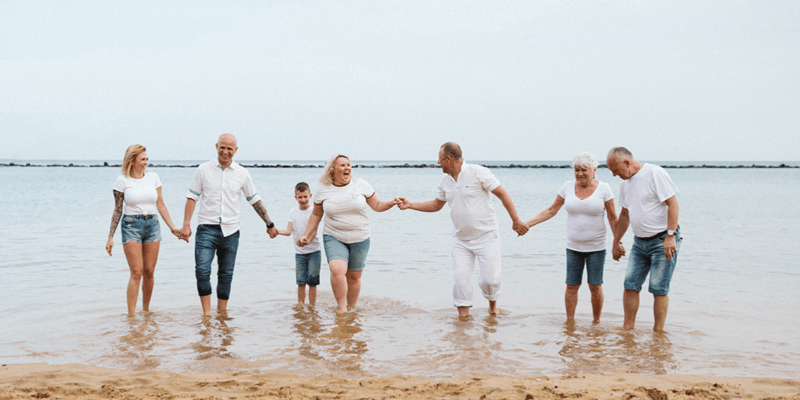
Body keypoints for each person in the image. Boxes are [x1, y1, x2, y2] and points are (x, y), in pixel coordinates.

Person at [395, 142, 529, 318]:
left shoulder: (478, 172)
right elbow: (436, 205)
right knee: (461, 280)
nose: (438, 162)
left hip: (487, 236)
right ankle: (463, 321)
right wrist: (410, 204)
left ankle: (493, 305)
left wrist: (516, 220)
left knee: (490, 281)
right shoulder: (445, 181)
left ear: (448, 159)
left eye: (440, 159)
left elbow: (502, 194)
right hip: (461, 240)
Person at [180, 133, 279, 316]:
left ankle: (222, 314)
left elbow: (254, 200)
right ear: (216, 146)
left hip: (231, 231)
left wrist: (269, 223)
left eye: (229, 148)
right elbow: (192, 197)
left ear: (236, 150)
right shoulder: (203, 169)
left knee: (226, 275)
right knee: (202, 271)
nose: (225, 152)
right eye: (222, 147)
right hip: (206, 229)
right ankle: (207, 315)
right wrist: (186, 224)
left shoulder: (242, 173)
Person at [524, 152, 618, 323]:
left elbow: (613, 217)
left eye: (584, 170)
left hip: (596, 247)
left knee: (595, 286)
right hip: (573, 247)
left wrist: (617, 242)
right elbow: (551, 210)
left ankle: (596, 322)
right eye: (576, 170)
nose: (580, 173)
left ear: (594, 170)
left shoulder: (604, 188)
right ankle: (570, 322)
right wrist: (528, 224)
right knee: (571, 286)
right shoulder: (567, 187)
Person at [297, 154, 395, 313]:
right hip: (333, 236)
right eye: (342, 165)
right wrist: (306, 236)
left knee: (354, 277)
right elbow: (315, 215)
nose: (347, 168)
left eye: (348, 165)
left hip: (360, 237)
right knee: (337, 270)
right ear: (332, 170)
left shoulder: (361, 185)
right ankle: (341, 310)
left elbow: (377, 205)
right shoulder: (323, 189)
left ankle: (351, 309)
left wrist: (391, 203)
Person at [606, 146, 681, 332]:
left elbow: (673, 205)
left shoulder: (654, 173)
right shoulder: (625, 183)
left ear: (627, 162)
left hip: (663, 239)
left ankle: (658, 333)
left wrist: (670, 237)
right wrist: (616, 241)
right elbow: (624, 215)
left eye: (616, 170)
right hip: (639, 242)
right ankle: (627, 329)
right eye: (611, 172)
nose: (615, 175)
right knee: (630, 285)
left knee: (658, 288)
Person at [106, 144, 182, 317]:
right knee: (136, 272)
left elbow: (160, 204)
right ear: (132, 161)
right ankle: (131, 317)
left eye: (147, 159)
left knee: (149, 271)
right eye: (142, 159)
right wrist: (110, 236)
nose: (146, 163)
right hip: (131, 226)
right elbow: (118, 209)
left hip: (153, 225)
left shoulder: (153, 177)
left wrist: (172, 228)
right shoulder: (122, 181)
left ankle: (146, 311)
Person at [277, 182, 322, 306]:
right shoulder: (293, 212)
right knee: (300, 282)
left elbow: (314, 230)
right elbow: (288, 231)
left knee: (313, 281)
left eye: (305, 196)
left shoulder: (314, 211)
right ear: (295, 197)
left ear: (310, 196)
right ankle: (301, 307)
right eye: (300, 197)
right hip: (300, 253)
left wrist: (306, 240)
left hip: (314, 251)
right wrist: (277, 231)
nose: (303, 200)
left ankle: (312, 307)